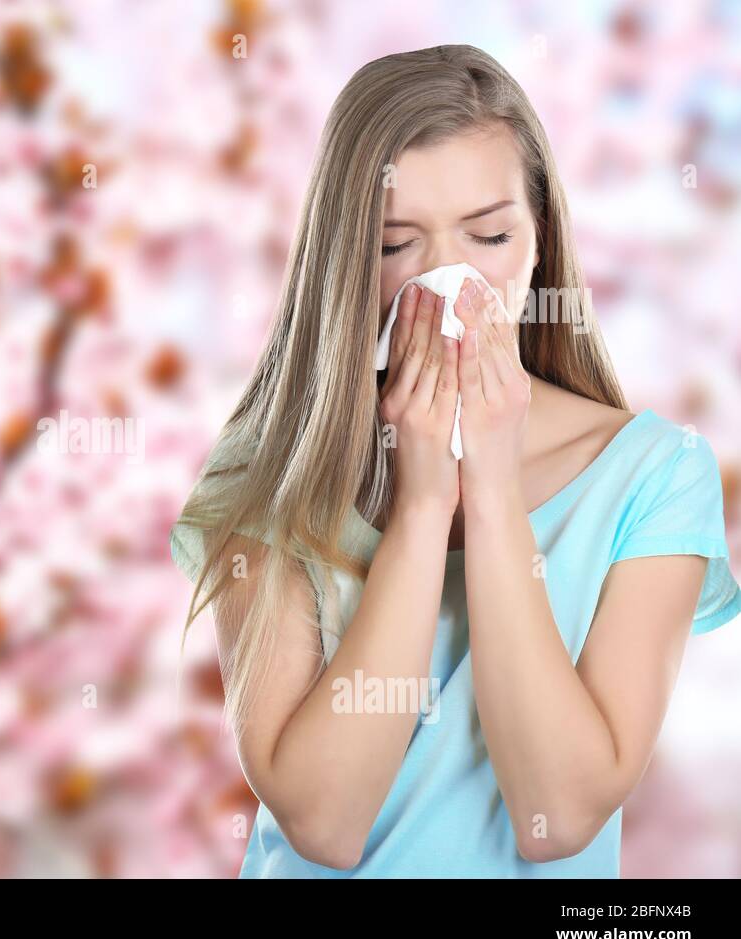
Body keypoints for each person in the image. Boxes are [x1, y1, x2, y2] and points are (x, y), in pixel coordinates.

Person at [169, 44, 740, 877]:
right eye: (397, 244)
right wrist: (423, 503)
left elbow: (559, 815)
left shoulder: (653, 475)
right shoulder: (270, 471)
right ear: (346, 266)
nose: (449, 281)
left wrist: (495, 487)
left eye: (490, 234)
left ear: (540, 241)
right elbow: (324, 826)